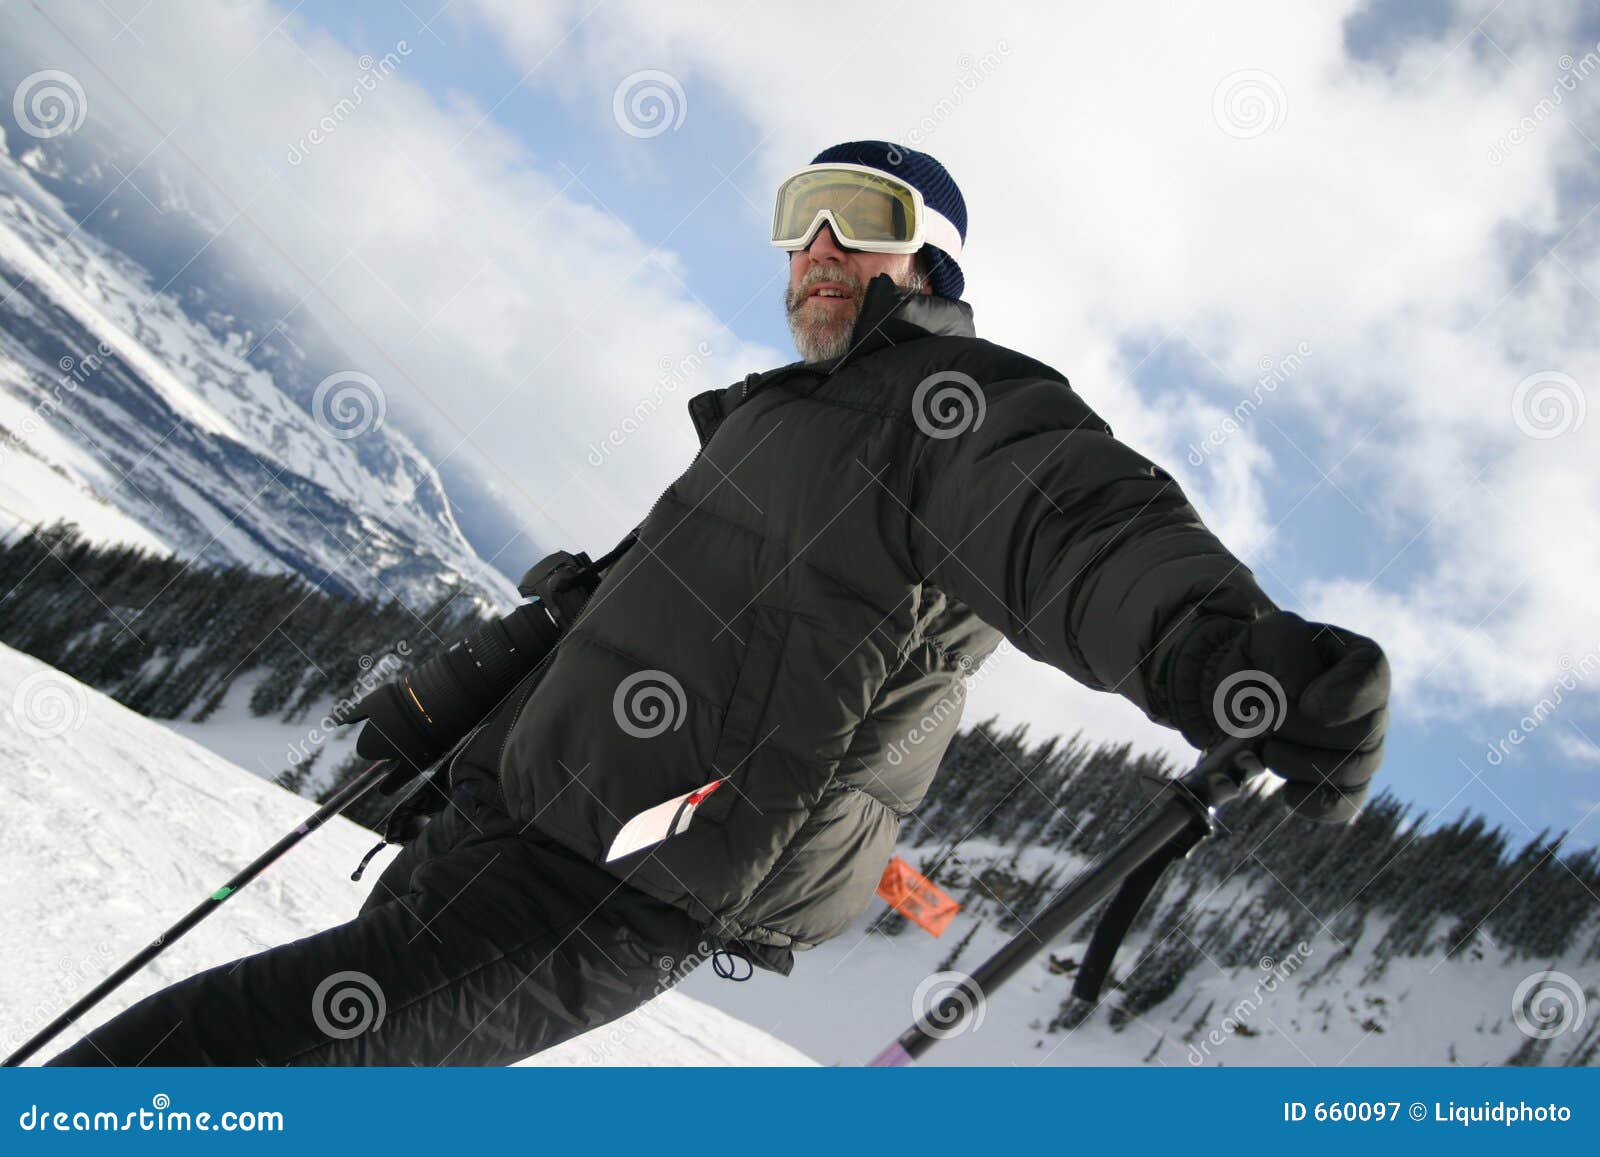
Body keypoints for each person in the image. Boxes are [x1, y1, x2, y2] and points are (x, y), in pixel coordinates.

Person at [46, 140, 1388, 1066]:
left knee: (193, 1066)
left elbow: (1073, 527)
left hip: (616, 883)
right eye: (802, 217)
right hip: (493, 821)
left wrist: (1222, 654)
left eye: (863, 218)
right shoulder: (773, 418)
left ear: (931, 267)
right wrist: (458, 710)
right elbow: (617, 611)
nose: (818, 247)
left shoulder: (948, 408)